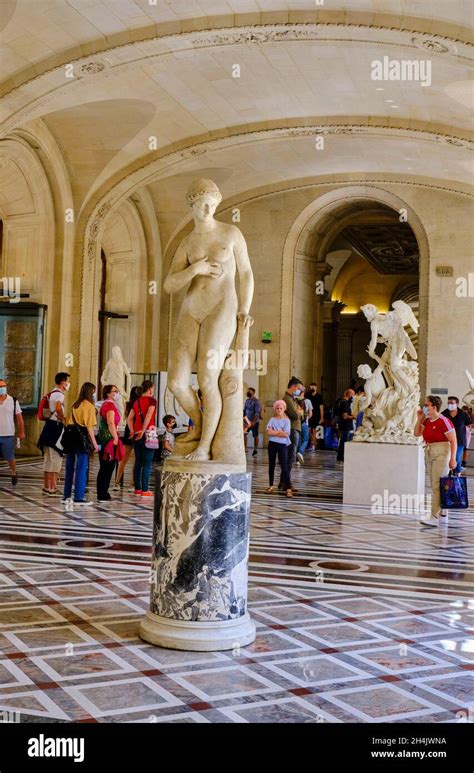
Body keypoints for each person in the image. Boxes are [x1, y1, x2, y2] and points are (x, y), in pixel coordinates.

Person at [414, 395, 457, 527]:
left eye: (427, 405)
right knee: (436, 485)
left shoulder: (443, 421)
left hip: (442, 453)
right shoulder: (427, 420)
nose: (425, 407)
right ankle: (443, 512)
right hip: (430, 451)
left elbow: (453, 440)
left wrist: (453, 458)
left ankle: (434, 516)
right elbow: (416, 433)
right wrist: (419, 419)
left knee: (437, 484)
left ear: (434, 407)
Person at [62, 382, 99, 505]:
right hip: (81, 436)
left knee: (69, 466)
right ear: (90, 392)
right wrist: (94, 444)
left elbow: (68, 421)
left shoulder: (75, 404)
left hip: (70, 435)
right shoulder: (89, 406)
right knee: (82, 467)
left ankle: (66, 495)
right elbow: (89, 428)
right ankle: (78, 496)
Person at [38, 372, 70, 496]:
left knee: (48, 459)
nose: (68, 383)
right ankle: (53, 488)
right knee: (56, 459)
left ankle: (46, 487)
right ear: (63, 382)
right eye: (67, 381)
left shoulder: (51, 392)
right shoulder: (59, 395)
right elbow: (57, 407)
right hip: (55, 428)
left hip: (48, 428)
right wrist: (63, 418)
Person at [127, 380, 157, 497]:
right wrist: (143, 430)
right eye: (153, 388)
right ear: (149, 389)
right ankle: (145, 490)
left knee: (138, 461)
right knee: (147, 462)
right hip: (150, 432)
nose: (153, 391)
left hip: (136, 434)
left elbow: (130, 418)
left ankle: (138, 489)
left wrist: (132, 430)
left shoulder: (137, 401)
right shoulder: (152, 401)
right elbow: (149, 415)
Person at [97, 385, 122, 502]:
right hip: (109, 439)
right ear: (108, 393)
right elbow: (111, 423)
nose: (117, 393)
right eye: (115, 391)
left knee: (104, 467)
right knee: (108, 466)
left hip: (104, 438)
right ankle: (103, 492)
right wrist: (116, 437)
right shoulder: (110, 405)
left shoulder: (105, 404)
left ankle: (102, 491)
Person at [279, 377, 304, 491]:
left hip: (294, 428)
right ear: (293, 387)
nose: (299, 390)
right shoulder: (287, 399)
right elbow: (295, 414)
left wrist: (300, 412)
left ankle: (283, 481)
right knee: (290, 457)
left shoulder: (292, 398)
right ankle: (286, 483)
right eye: (298, 388)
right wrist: (300, 413)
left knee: (289, 456)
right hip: (292, 429)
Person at [115, 385, 141, 490]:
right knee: (135, 459)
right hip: (136, 429)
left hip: (128, 430)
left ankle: (117, 482)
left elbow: (126, 417)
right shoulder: (139, 404)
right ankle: (133, 483)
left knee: (124, 459)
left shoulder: (128, 404)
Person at [0, 378, 25, 486]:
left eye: (3, 386)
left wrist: (21, 431)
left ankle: (14, 472)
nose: (2, 389)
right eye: (0, 387)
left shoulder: (13, 401)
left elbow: (19, 417)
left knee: (10, 457)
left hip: (8, 434)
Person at [266, 400, 292, 497]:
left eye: (281, 408)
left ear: (284, 409)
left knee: (284, 466)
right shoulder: (272, 419)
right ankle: (271, 485)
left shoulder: (287, 420)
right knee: (271, 465)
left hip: (282, 445)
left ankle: (288, 488)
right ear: (275, 409)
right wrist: (279, 432)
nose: (279, 410)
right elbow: (268, 432)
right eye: (277, 408)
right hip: (272, 444)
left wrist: (274, 431)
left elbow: (286, 434)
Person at [442, 396, 473, 474]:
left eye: (452, 403)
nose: (450, 404)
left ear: (457, 404)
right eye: (448, 403)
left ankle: (457, 475)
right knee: (447, 458)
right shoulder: (444, 414)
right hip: (446, 441)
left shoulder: (463, 414)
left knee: (457, 458)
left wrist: (471, 426)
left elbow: (469, 424)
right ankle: (448, 476)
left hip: (459, 441)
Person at [336, 388, 356, 464]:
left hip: (342, 425)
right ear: (349, 394)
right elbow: (345, 416)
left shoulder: (340, 402)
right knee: (344, 442)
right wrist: (354, 417)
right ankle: (340, 458)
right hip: (345, 426)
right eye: (353, 395)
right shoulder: (345, 403)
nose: (353, 397)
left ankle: (340, 458)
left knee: (342, 441)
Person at [244, 387, 262, 457]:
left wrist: (253, 422)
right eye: (247, 391)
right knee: (244, 434)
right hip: (247, 421)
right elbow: (245, 411)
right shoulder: (247, 401)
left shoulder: (256, 401)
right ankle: (245, 449)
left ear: (253, 393)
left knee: (255, 435)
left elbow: (257, 413)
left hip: (254, 421)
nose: (248, 392)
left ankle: (255, 449)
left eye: (249, 391)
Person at [296, 388, 313, 463]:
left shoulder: (294, 400)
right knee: (305, 439)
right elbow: (310, 413)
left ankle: (297, 458)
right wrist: (306, 419)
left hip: (296, 423)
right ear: (303, 393)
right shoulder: (307, 401)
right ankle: (301, 452)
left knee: (299, 439)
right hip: (304, 423)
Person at [307, 383, 324, 451]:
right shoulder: (308, 395)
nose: (312, 388)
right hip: (309, 415)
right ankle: (313, 442)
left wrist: (322, 417)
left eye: (313, 387)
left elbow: (321, 407)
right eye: (311, 387)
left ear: (316, 388)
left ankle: (313, 445)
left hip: (316, 415)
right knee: (308, 430)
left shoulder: (319, 396)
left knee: (314, 430)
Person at [461, 405, 473, 469]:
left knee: (465, 448)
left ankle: (464, 462)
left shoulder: (466, 416)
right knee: (465, 448)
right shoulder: (468, 416)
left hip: (466, 433)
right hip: (465, 433)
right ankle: (463, 462)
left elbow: (470, 426)